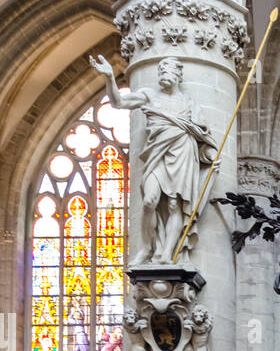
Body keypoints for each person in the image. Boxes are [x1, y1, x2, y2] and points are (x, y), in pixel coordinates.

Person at [89, 54, 218, 266]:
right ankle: (147, 248)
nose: (162, 74)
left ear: (178, 75)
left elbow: (202, 134)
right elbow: (118, 102)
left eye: (166, 70)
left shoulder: (189, 103)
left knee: (176, 205)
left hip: (182, 152)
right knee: (149, 201)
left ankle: (167, 254)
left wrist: (210, 155)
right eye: (160, 70)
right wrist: (110, 76)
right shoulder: (149, 96)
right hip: (157, 154)